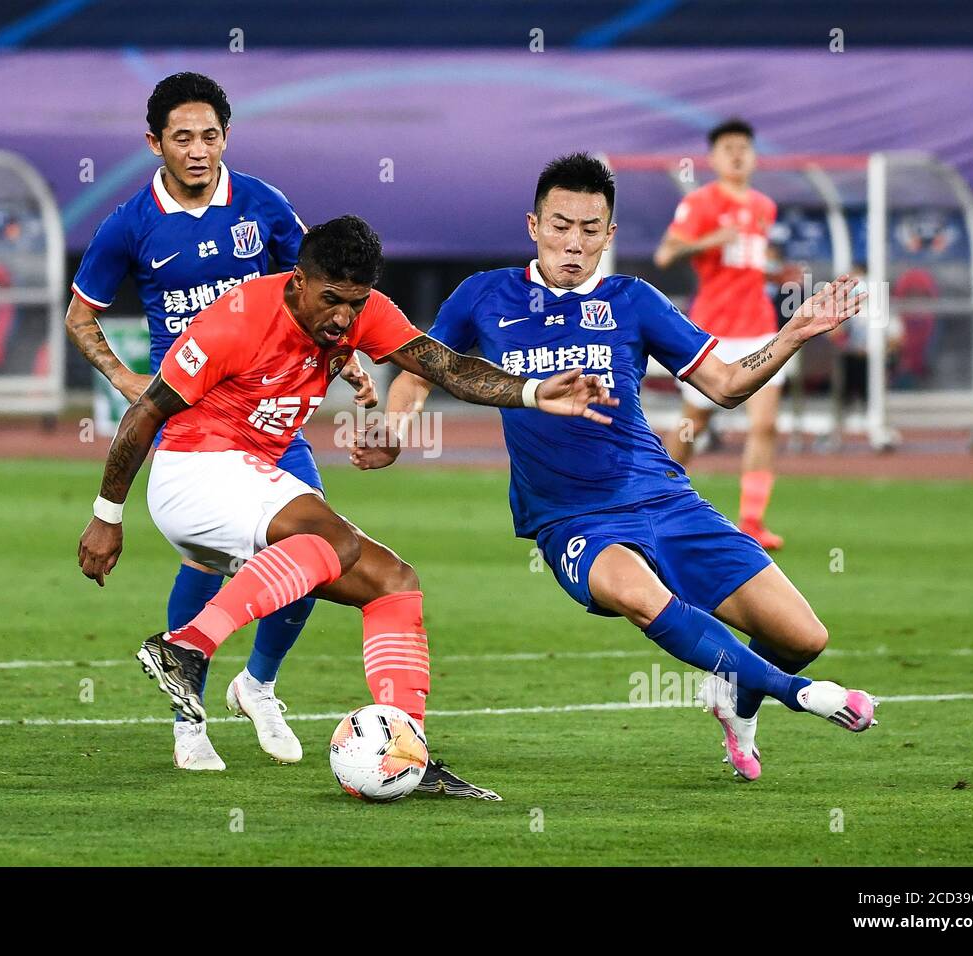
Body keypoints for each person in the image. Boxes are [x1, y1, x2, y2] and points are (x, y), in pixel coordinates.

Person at [362, 154, 879, 782]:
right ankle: (801, 695)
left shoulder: (634, 301)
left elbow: (725, 385)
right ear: (533, 225)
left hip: (664, 499)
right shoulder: (484, 295)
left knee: (802, 638)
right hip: (570, 518)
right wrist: (392, 429)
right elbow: (423, 369)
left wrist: (793, 335)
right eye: (560, 226)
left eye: (589, 229)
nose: (573, 243)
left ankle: (739, 695)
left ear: (609, 235)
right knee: (637, 594)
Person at [76, 214, 612, 799]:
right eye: (331, 300)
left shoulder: (366, 314)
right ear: (299, 281)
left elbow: (449, 368)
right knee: (334, 542)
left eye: (354, 304)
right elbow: (146, 411)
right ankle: (187, 647)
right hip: (192, 472)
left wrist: (534, 391)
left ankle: (408, 751)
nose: (342, 319)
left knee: (394, 581)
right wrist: (107, 515)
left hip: (256, 474)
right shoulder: (236, 320)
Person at [65, 72, 378, 771]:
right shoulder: (130, 224)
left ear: (226, 137)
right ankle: (188, 720)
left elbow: (321, 292)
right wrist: (126, 381)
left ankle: (258, 685)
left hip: (270, 413)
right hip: (191, 419)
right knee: (202, 559)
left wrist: (344, 354)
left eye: (210, 135)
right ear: (154, 144)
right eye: (182, 138)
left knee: (316, 551)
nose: (198, 150)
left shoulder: (264, 206)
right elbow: (80, 314)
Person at [654, 118, 794, 550]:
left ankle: (751, 521)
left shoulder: (764, 207)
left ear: (754, 155)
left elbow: (753, 262)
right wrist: (711, 238)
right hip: (713, 330)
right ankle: (656, 501)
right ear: (713, 158)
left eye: (744, 147)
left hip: (759, 327)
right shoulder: (701, 203)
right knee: (694, 424)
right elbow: (665, 254)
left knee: (766, 424)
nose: (737, 154)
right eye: (728, 147)